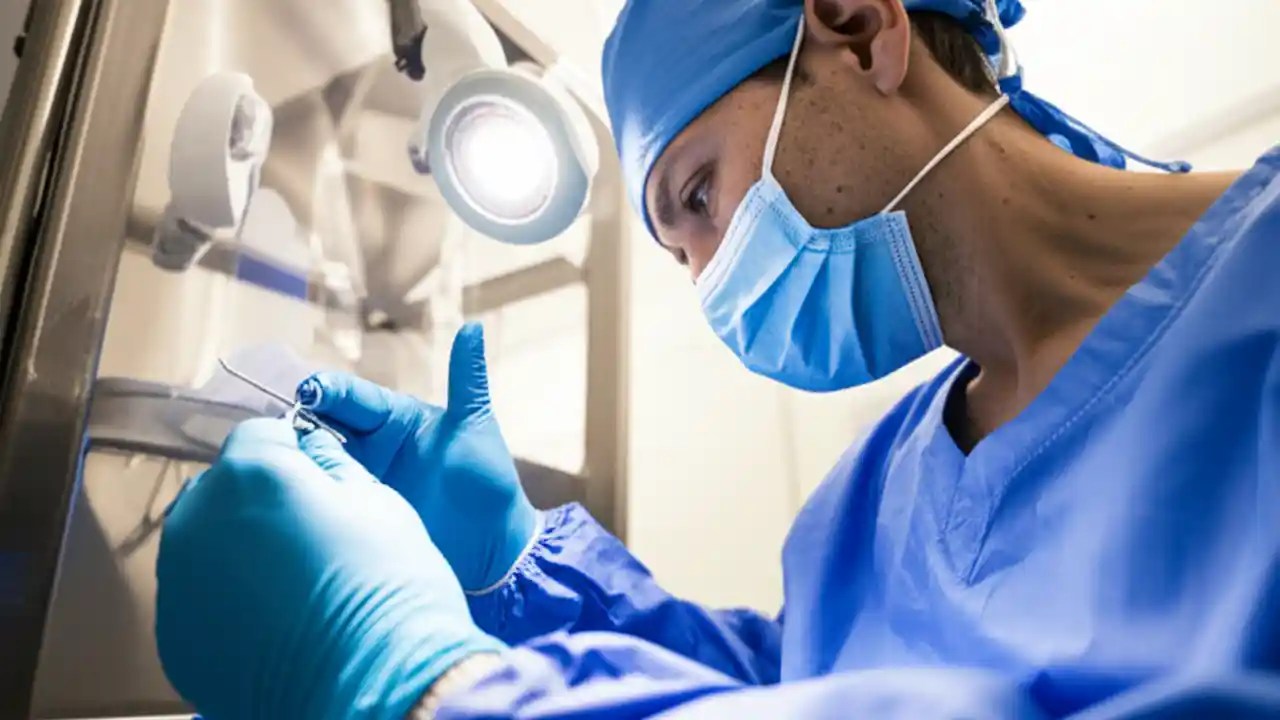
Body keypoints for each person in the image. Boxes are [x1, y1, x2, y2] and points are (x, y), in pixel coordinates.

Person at [154, 0, 1280, 717]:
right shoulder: (875, 497)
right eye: (676, 246)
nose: (709, 279)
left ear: (854, 29)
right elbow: (806, 697)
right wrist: (510, 576)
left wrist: (428, 688)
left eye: (697, 196)